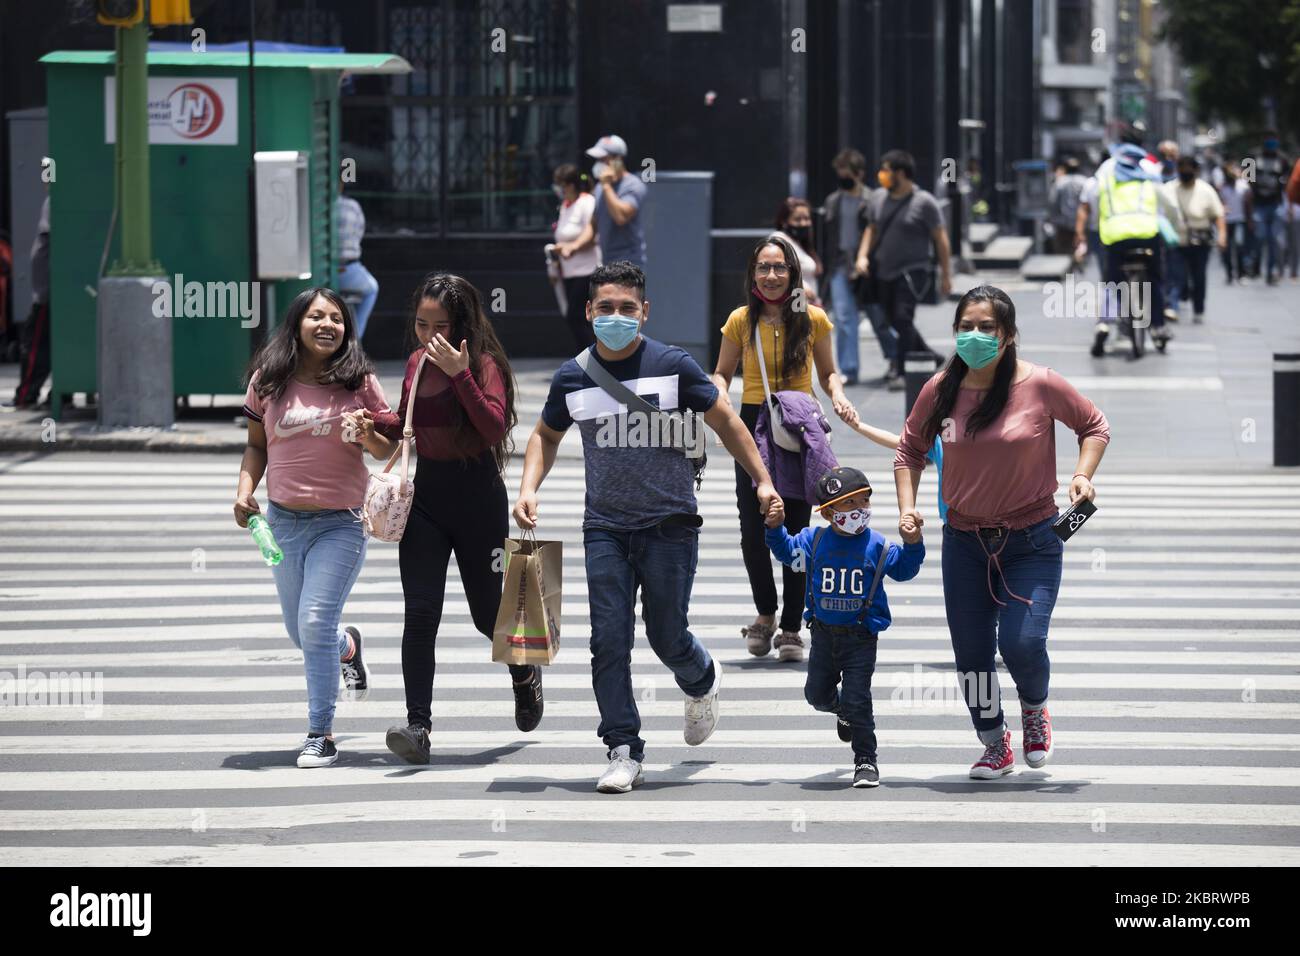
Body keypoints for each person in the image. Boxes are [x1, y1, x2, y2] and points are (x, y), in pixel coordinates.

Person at [513, 260, 783, 793]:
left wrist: (763, 481)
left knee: (666, 634)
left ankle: (702, 677)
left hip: (670, 523)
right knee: (607, 641)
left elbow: (725, 421)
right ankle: (622, 747)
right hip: (605, 527)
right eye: (606, 308)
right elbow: (545, 435)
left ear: (645, 311)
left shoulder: (672, 364)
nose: (616, 317)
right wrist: (527, 488)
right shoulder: (572, 374)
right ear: (589, 311)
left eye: (627, 309)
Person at [894, 286, 1110, 779]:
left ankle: (1034, 709)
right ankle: (994, 743)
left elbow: (1094, 426)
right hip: (964, 543)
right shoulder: (940, 389)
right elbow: (908, 451)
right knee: (971, 655)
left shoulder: (1040, 384)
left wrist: (1082, 475)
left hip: (1032, 539)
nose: (974, 336)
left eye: (986, 327)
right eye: (966, 326)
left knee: (1021, 643)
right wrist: (907, 510)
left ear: (1008, 335)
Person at [353, 274, 539, 765]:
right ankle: (418, 726)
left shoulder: (484, 364)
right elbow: (408, 422)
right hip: (426, 501)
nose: (428, 333)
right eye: (420, 323)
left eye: (439, 324)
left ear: (462, 323)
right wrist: (371, 424)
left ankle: (523, 671)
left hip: (478, 498)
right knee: (420, 614)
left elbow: (494, 427)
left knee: (488, 617)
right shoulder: (416, 361)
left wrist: (461, 374)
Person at [234, 287, 397, 768]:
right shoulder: (268, 381)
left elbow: (386, 451)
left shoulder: (358, 380)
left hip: (341, 524)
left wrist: (370, 433)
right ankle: (347, 648)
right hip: (283, 521)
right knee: (301, 631)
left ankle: (320, 734)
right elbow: (256, 446)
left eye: (337, 318)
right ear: (296, 325)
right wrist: (244, 490)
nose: (328, 325)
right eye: (317, 316)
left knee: (313, 622)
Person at [712, 235, 858, 663]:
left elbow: (830, 373)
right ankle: (765, 613)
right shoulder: (740, 320)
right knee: (753, 528)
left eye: (779, 268)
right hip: (752, 423)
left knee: (795, 529)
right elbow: (722, 372)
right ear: (753, 274)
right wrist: (717, 392)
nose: (771, 276)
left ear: (793, 273)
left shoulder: (813, 319)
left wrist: (840, 397)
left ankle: (792, 626)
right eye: (763, 267)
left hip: (798, 425)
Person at [764, 466, 924, 787]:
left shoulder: (877, 545)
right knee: (816, 695)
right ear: (828, 513)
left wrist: (913, 542)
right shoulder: (814, 540)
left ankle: (865, 759)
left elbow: (905, 569)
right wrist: (775, 527)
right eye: (848, 504)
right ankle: (841, 709)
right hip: (823, 634)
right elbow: (786, 552)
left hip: (861, 637)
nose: (858, 510)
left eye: (863, 501)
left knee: (859, 698)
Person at [854, 149, 952, 390]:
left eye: (886, 170)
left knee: (902, 316)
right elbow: (872, 229)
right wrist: (862, 256)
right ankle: (930, 355)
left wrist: (946, 275)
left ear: (901, 173)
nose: (882, 175)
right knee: (895, 321)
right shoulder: (878, 197)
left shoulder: (925, 202)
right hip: (883, 270)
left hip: (912, 271)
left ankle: (902, 370)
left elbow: (940, 238)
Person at [1089, 141, 1181, 356]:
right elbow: (1169, 202)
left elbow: (1093, 198)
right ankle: (1158, 326)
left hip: (1114, 234)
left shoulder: (1107, 168)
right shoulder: (1149, 167)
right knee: (1155, 279)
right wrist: (1172, 224)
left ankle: (1104, 323)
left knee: (1112, 282)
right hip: (1147, 233)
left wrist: (1097, 222)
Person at [821, 148, 895, 384]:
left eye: (847, 173)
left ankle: (896, 358)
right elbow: (828, 236)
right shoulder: (833, 201)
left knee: (879, 318)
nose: (842, 177)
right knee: (843, 318)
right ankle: (849, 369)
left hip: (869, 268)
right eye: (839, 172)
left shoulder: (873, 199)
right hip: (840, 265)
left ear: (859, 174)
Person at [1163, 155, 1226, 324]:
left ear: (1196, 171)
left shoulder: (1206, 190)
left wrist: (1222, 235)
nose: (1185, 172)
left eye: (1188, 169)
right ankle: (1172, 307)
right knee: (1175, 276)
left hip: (1200, 243)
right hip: (1176, 241)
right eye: (1181, 168)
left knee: (1198, 277)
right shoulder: (1168, 189)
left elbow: (1218, 215)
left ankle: (1198, 308)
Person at [7, 195, 50, 409]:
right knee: (42, 346)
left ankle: (25, 395)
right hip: (46, 293)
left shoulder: (55, 201)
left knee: (34, 346)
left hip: (46, 294)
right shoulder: (53, 200)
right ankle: (53, 395)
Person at [551, 163, 600, 348]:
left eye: (560, 184)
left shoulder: (587, 202)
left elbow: (592, 233)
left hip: (587, 269)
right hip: (568, 270)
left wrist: (572, 247)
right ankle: (588, 357)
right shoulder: (565, 206)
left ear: (569, 185)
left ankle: (592, 357)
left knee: (577, 316)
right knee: (575, 316)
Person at [579, 134, 647, 269]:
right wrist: (573, 247)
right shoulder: (600, 187)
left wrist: (606, 186)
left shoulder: (633, 185)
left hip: (630, 265)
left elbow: (620, 217)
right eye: (597, 159)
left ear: (618, 159)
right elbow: (593, 225)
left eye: (603, 159)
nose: (599, 164)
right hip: (606, 264)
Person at [335, 180, 380, 341]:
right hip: (348, 271)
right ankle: (355, 338)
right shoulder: (352, 207)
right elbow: (359, 235)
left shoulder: (317, 207)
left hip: (324, 273)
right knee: (372, 289)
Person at [1249, 132, 1291, 285]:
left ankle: (1270, 271)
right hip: (1258, 204)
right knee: (1259, 237)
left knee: (1274, 240)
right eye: (1269, 139)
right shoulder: (1252, 156)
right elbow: (1247, 180)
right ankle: (1255, 265)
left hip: (1275, 204)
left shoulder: (1283, 159)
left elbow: (1287, 181)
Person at [773, 197, 823, 305]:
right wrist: (801, 285)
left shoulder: (801, 244)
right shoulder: (778, 240)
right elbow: (776, 270)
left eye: (806, 218)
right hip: (793, 306)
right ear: (784, 221)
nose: (803, 223)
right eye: (797, 219)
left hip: (807, 306)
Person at [1218, 162, 1251, 284]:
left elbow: (1248, 205)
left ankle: (1241, 273)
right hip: (1226, 222)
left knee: (1239, 247)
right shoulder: (1223, 188)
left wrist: (1250, 220)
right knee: (1226, 250)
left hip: (1239, 220)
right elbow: (1220, 203)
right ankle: (1229, 274)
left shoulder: (1244, 186)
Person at [1048, 157, 1086, 258]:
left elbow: (1052, 202)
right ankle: (1079, 272)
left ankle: (1070, 274)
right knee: (1082, 251)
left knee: (1065, 255)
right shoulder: (1084, 182)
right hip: (1082, 224)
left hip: (1063, 225)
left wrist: (1052, 220)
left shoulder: (1059, 182)